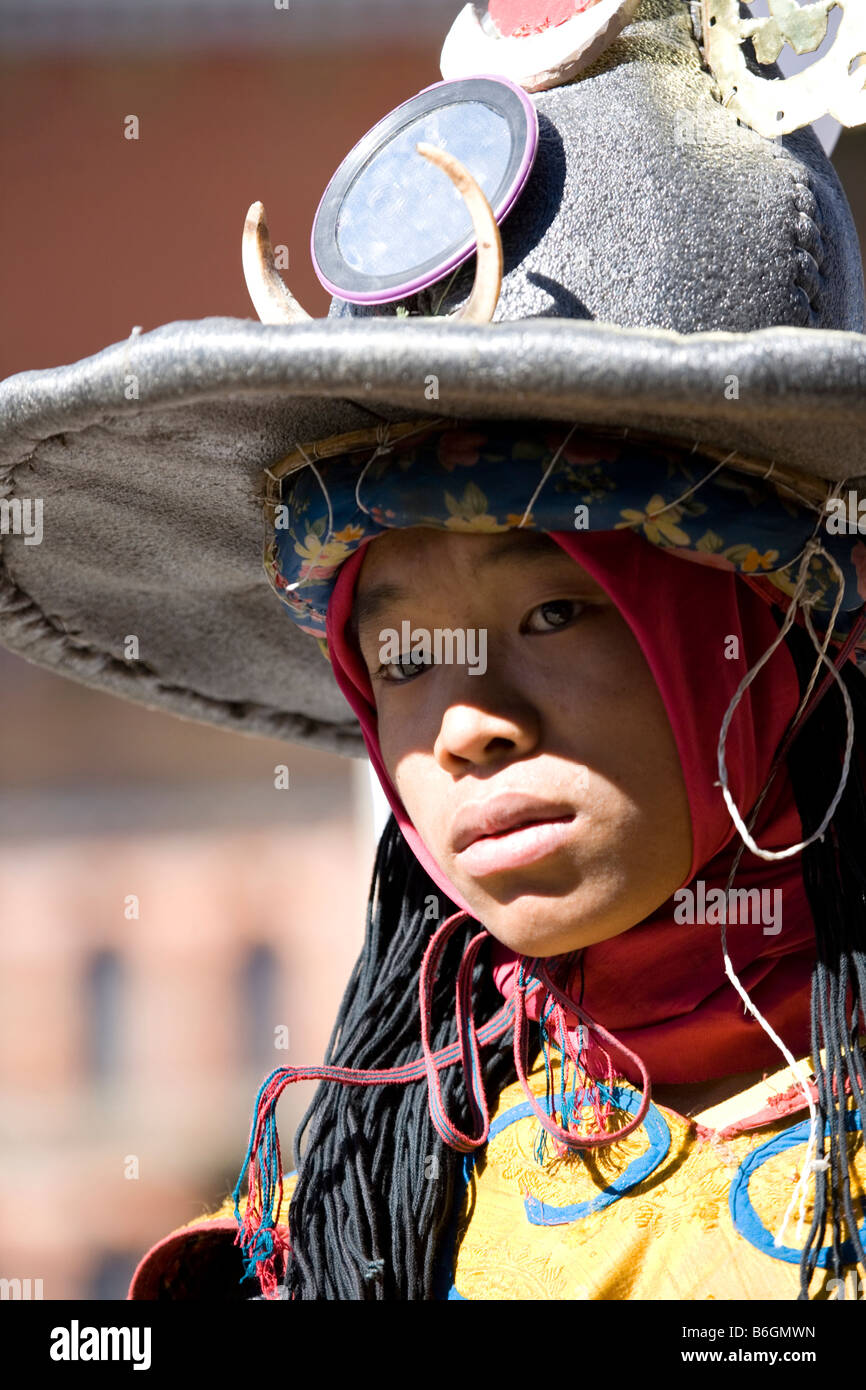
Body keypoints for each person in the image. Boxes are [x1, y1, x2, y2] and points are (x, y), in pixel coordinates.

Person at [1, 0, 865, 1302]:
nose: (467, 724)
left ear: (765, 635)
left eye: (557, 611)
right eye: (400, 654)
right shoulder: (347, 1225)